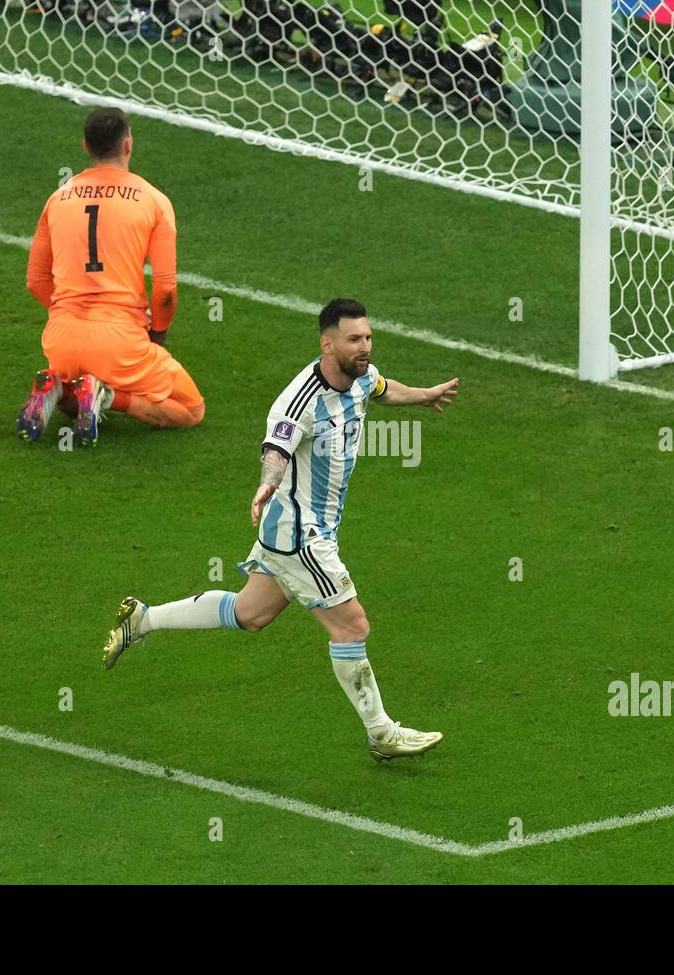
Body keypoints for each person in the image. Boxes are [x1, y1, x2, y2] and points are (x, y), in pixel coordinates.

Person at [102, 298, 460, 761]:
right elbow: (277, 449)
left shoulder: (359, 377)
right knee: (352, 627)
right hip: (299, 532)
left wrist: (424, 394)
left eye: (368, 337)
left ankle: (142, 619)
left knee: (251, 614)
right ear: (327, 344)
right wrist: (266, 484)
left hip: (304, 529)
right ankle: (382, 733)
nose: (365, 347)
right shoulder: (299, 401)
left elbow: (384, 389)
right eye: (354, 340)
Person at [18, 107, 204, 445]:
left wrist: (65, 316)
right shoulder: (153, 200)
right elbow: (165, 291)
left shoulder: (58, 198)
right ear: (128, 145)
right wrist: (156, 335)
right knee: (191, 410)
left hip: (61, 342)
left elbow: (35, 279)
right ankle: (107, 396)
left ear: (85, 148)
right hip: (119, 344)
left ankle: (59, 388)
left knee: (77, 386)